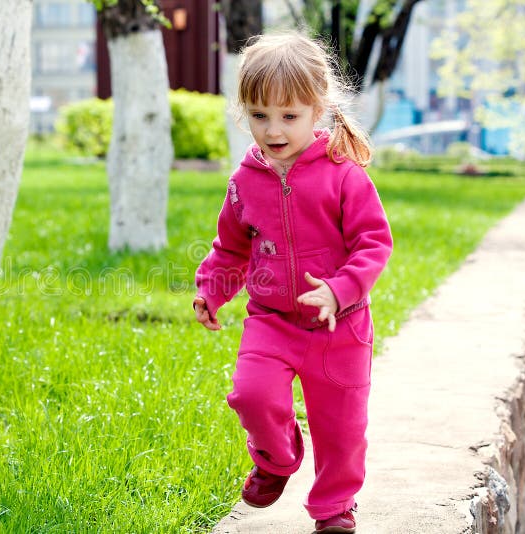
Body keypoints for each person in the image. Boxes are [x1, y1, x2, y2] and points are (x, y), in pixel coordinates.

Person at [193, 31, 393, 534]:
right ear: (244, 112)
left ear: (317, 108)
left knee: (341, 431)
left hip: (339, 328)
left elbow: (375, 243)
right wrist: (212, 290)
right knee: (251, 395)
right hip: (273, 322)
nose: (273, 129)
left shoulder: (343, 175)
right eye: (260, 116)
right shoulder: (244, 181)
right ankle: (276, 459)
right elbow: (232, 248)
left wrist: (339, 289)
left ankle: (333, 510)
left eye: (289, 116)